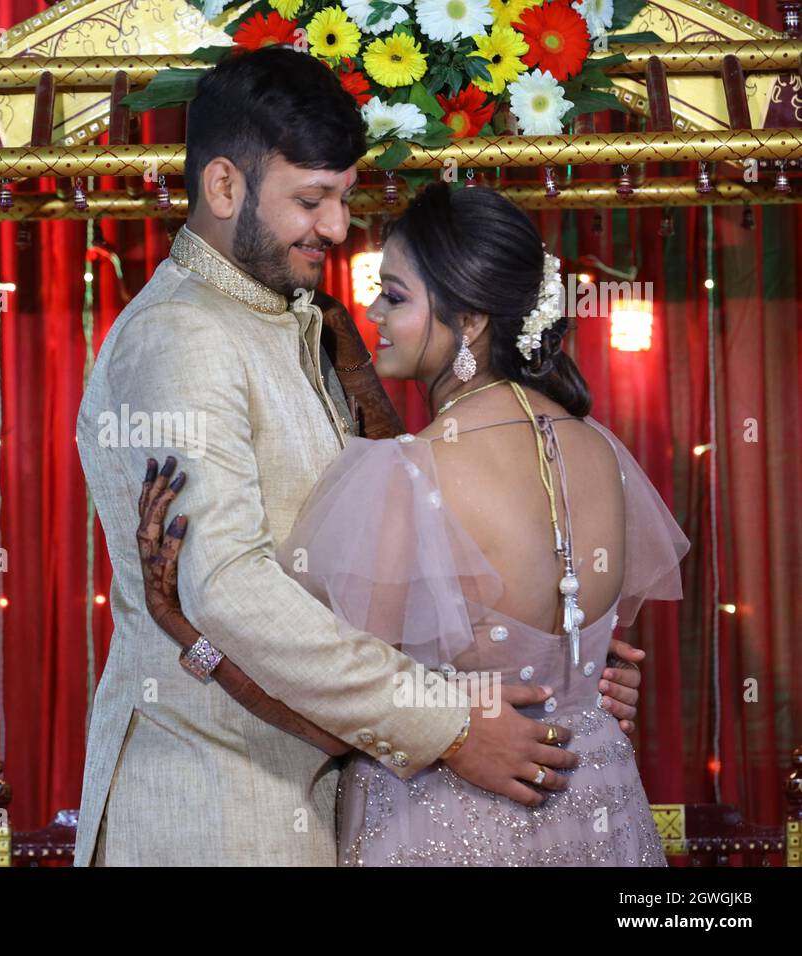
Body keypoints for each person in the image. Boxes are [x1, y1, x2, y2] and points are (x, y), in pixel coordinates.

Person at [73, 46, 643, 866]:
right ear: (224, 186)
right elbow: (230, 589)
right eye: (312, 201)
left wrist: (557, 660)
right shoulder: (181, 340)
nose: (338, 230)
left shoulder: (298, 320)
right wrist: (449, 726)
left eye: (343, 198)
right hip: (222, 809)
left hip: (339, 791)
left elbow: (393, 583)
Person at [136, 182, 689, 865]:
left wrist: (184, 630)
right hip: (596, 802)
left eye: (394, 296)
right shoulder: (604, 452)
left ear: (473, 320)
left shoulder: (407, 472)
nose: (372, 311)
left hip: (452, 818)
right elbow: (580, 659)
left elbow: (333, 719)